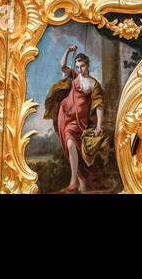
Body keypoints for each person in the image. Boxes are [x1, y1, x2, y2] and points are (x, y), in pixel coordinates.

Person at [44, 45, 108, 193]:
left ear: (88, 65)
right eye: (78, 66)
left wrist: (99, 125)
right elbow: (62, 66)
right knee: (70, 145)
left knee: (76, 148)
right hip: (64, 114)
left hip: (79, 121)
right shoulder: (75, 76)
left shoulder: (94, 84)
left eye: (83, 66)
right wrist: (67, 50)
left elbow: (99, 106)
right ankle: (74, 181)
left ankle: (81, 179)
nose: (80, 69)